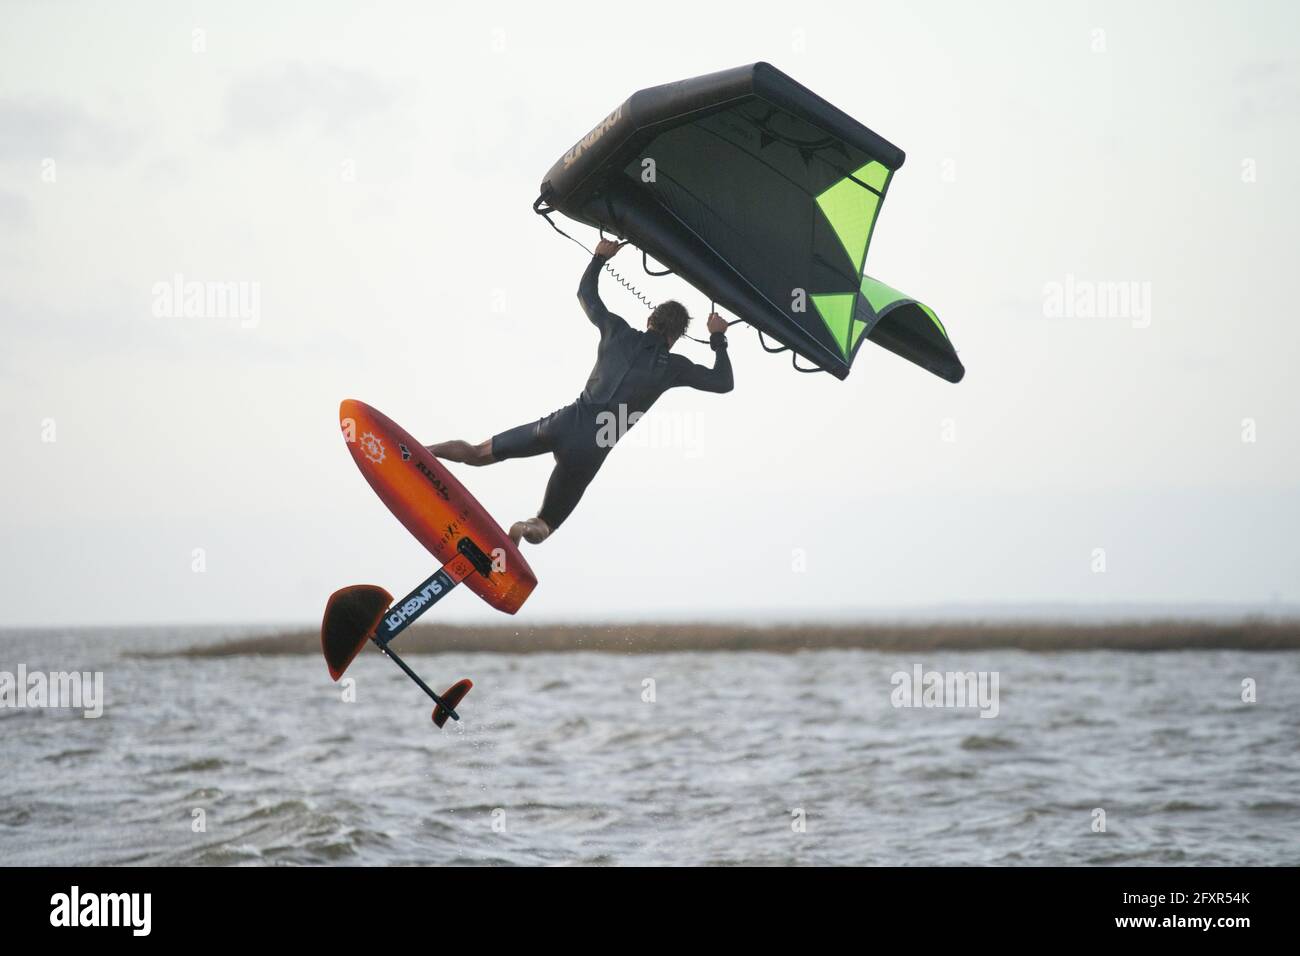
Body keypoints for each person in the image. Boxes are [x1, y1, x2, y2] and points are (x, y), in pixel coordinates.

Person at [427, 239, 734, 545]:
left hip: (564, 423)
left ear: (649, 319)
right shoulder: (674, 366)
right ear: (678, 336)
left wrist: (600, 258)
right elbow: (723, 383)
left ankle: (423, 453)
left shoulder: (617, 331)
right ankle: (523, 527)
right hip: (593, 448)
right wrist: (718, 338)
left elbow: (586, 294)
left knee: (478, 453)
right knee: (544, 524)